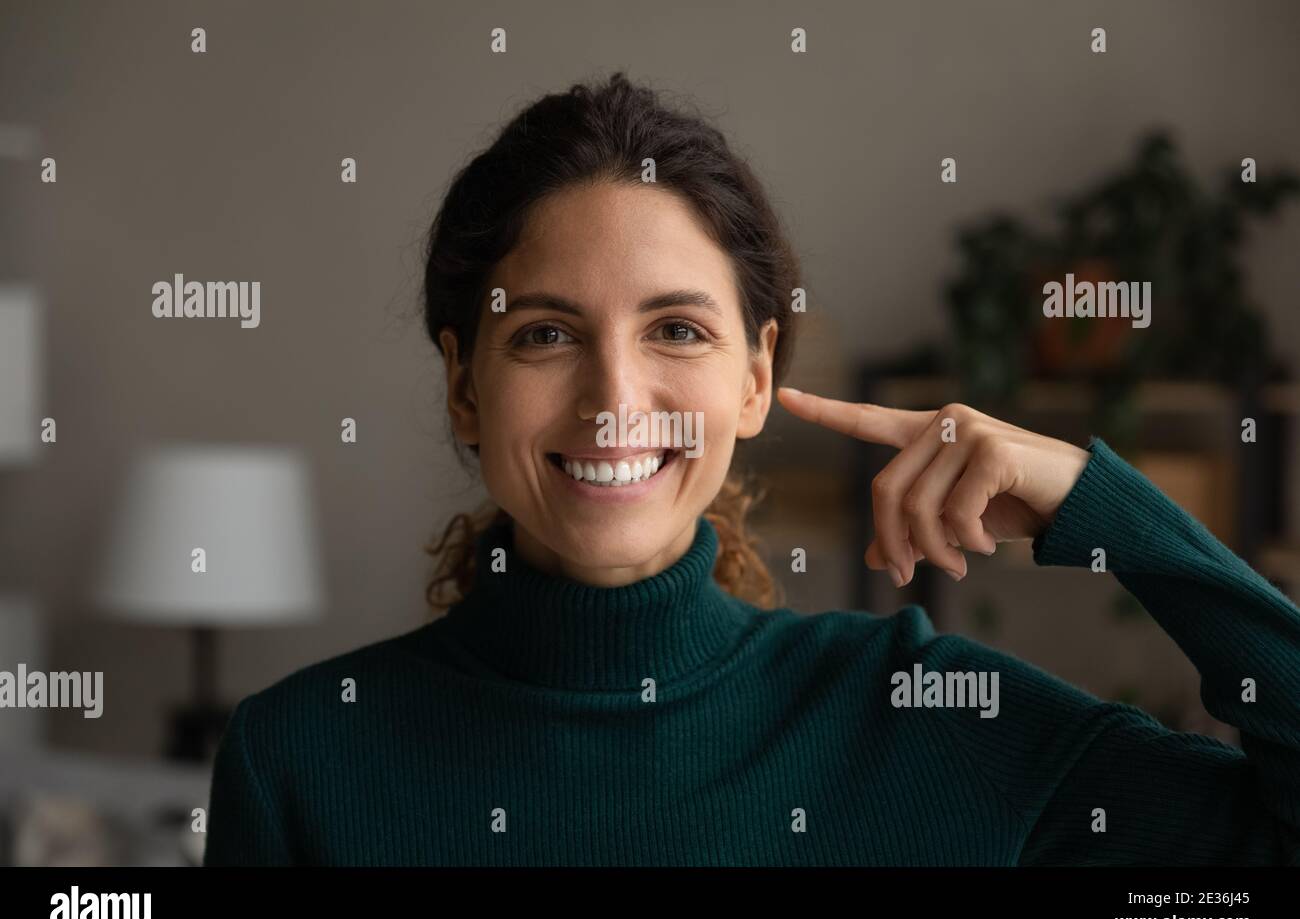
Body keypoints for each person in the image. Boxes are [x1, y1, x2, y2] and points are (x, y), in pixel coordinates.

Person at [204, 72, 1300, 866]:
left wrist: (1097, 503)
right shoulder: (302, 756)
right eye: (545, 333)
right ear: (462, 382)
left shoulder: (931, 721)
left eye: (676, 330)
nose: (615, 400)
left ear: (754, 375)